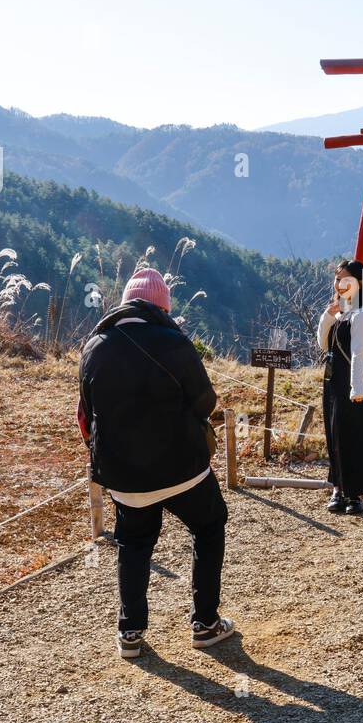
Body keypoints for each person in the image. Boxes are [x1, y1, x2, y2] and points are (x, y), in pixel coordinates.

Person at [77, 267, 235, 658]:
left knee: (133, 543)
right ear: (161, 307)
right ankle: (205, 623)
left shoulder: (94, 345)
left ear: (126, 303)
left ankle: (130, 633)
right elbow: (206, 403)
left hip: (124, 477)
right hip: (183, 469)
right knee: (209, 526)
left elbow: (84, 417)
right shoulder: (173, 341)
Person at [317, 259, 363, 514]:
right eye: (337, 279)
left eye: (344, 278)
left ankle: (356, 493)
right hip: (332, 380)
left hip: (352, 384)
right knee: (334, 436)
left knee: (353, 436)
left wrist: (357, 388)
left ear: (358, 282)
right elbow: (322, 344)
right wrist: (328, 315)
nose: (339, 283)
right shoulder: (340, 312)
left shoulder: (361, 314)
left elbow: (359, 353)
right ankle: (338, 487)